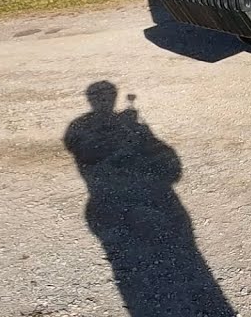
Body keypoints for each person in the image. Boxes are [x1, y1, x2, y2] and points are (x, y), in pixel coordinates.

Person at [64, 81, 234, 317]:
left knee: (133, 273)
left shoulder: (78, 126)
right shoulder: (87, 126)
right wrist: (142, 132)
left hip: (105, 206)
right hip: (140, 204)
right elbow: (173, 170)